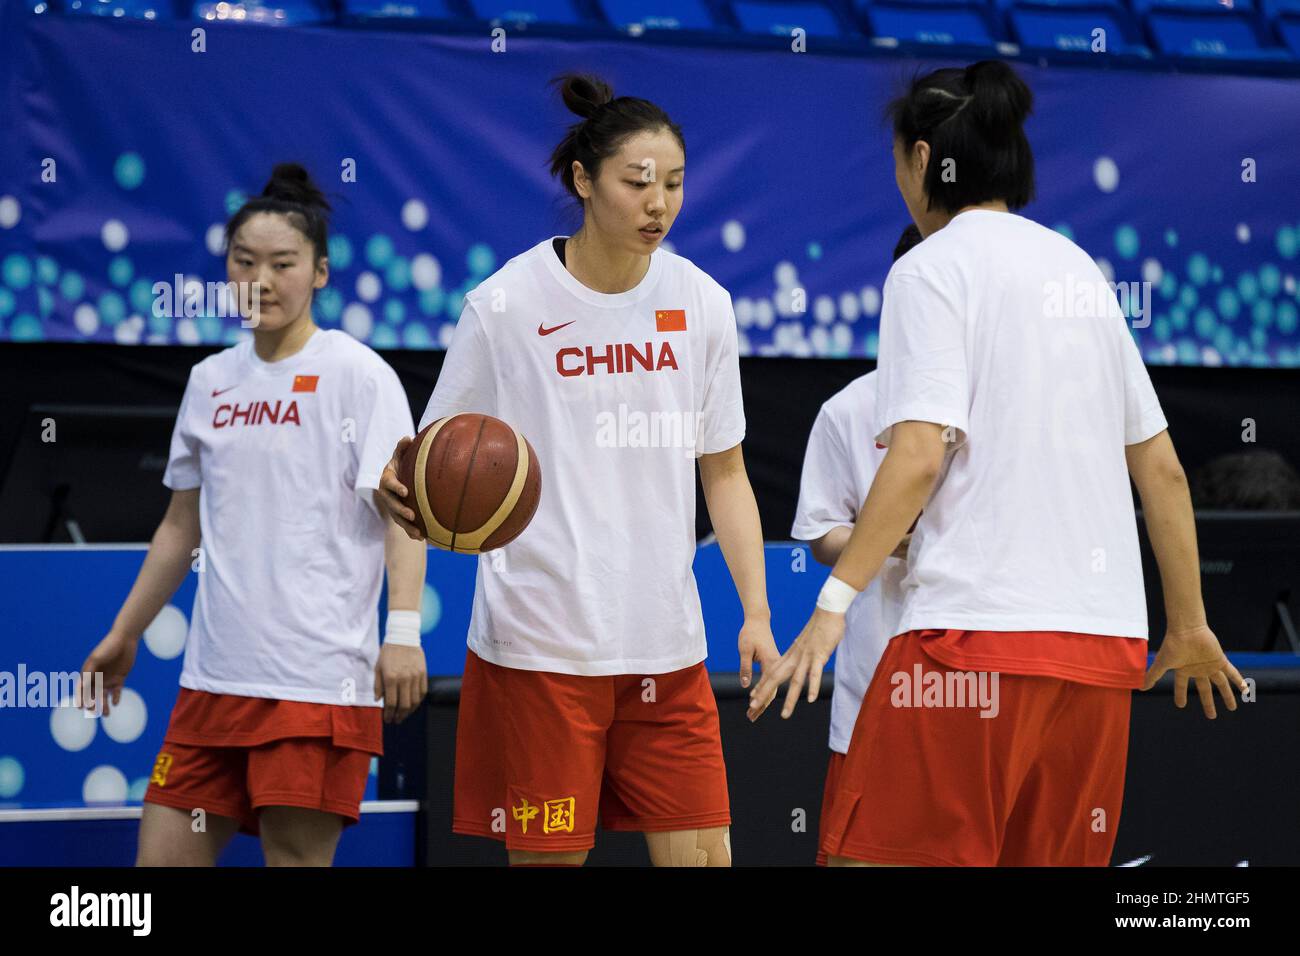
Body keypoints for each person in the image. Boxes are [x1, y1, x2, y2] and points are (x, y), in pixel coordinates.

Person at [749, 61, 1246, 867]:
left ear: (920, 161)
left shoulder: (929, 267)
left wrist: (833, 605)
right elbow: (1162, 469)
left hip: (970, 641)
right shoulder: (1080, 271)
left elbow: (916, 456)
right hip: (1098, 653)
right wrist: (1187, 623)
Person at [377, 74, 778, 867]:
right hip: (541, 644)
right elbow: (433, 461)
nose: (657, 202)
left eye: (673, 184)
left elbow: (724, 472)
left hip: (666, 641)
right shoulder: (505, 306)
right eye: (637, 183)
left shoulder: (703, 303)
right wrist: (409, 492)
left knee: (706, 859)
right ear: (584, 181)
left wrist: (757, 611)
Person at [80, 163, 428, 866]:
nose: (260, 280)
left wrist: (405, 631)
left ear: (321, 273)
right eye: (243, 262)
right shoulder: (210, 382)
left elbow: (403, 515)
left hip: (314, 684)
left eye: (282, 263)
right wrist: (125, 633)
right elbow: (182, 526)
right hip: (212, 684)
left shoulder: (360, 376)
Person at [791, 223, 921, 866]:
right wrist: (893, 539)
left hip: (988, 679)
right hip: (877, 675)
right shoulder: (850, 409)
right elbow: (819, 533)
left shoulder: (1004, 406)